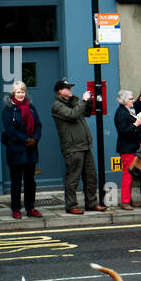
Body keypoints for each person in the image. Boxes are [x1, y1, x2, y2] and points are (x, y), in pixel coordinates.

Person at [51, 79, 106, 215]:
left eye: (70, 88)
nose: (70, 90)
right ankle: (71, 205)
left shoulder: (74, 102)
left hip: (84, 145)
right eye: (67, 88)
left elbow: (86, 113)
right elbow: (72, 115)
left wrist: (89, 101)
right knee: (73, 178)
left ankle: (91, 203)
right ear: (60, 91)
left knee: (91, 176)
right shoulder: (57, 106)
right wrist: (83, 100)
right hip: (73, 147)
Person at [1, 80, 42, 219]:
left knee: (30, 181)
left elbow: (38, 125)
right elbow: (10, 130)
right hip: (16, 150)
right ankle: (16, 209)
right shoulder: (8, 109)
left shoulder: (31, 107)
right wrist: (25, 139)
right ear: (13, 93)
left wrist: (35, 139)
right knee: (16, 181)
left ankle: (30, 208)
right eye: (18, 92)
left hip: (31, 149)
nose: (21, 94)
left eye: (23, 92)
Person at [114, 89, 141, 209]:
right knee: (128, 174)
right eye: (130, 98)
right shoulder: (121, 113)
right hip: (127, 149)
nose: (133, 100)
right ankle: (125, 201)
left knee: (132, 174)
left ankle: (128, 199)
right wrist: (136, 124)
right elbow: (123, 132)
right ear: (124, 101)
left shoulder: (129, 110)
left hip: (133, 147)